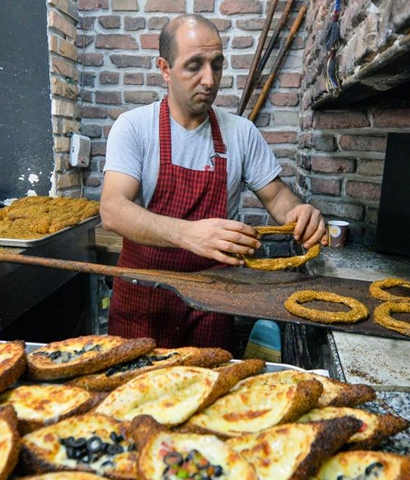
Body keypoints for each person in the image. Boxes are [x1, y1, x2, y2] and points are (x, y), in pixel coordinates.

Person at [100, 14, 327, 350]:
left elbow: (278, 196)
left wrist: (299, 212)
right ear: (165, 69)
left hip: (212, 302)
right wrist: (188, 234)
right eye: (194, 66)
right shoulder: (135, 127)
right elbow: (113, 210)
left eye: (216, 65)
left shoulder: (241, 133)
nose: (209, 80)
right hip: (144, 296)